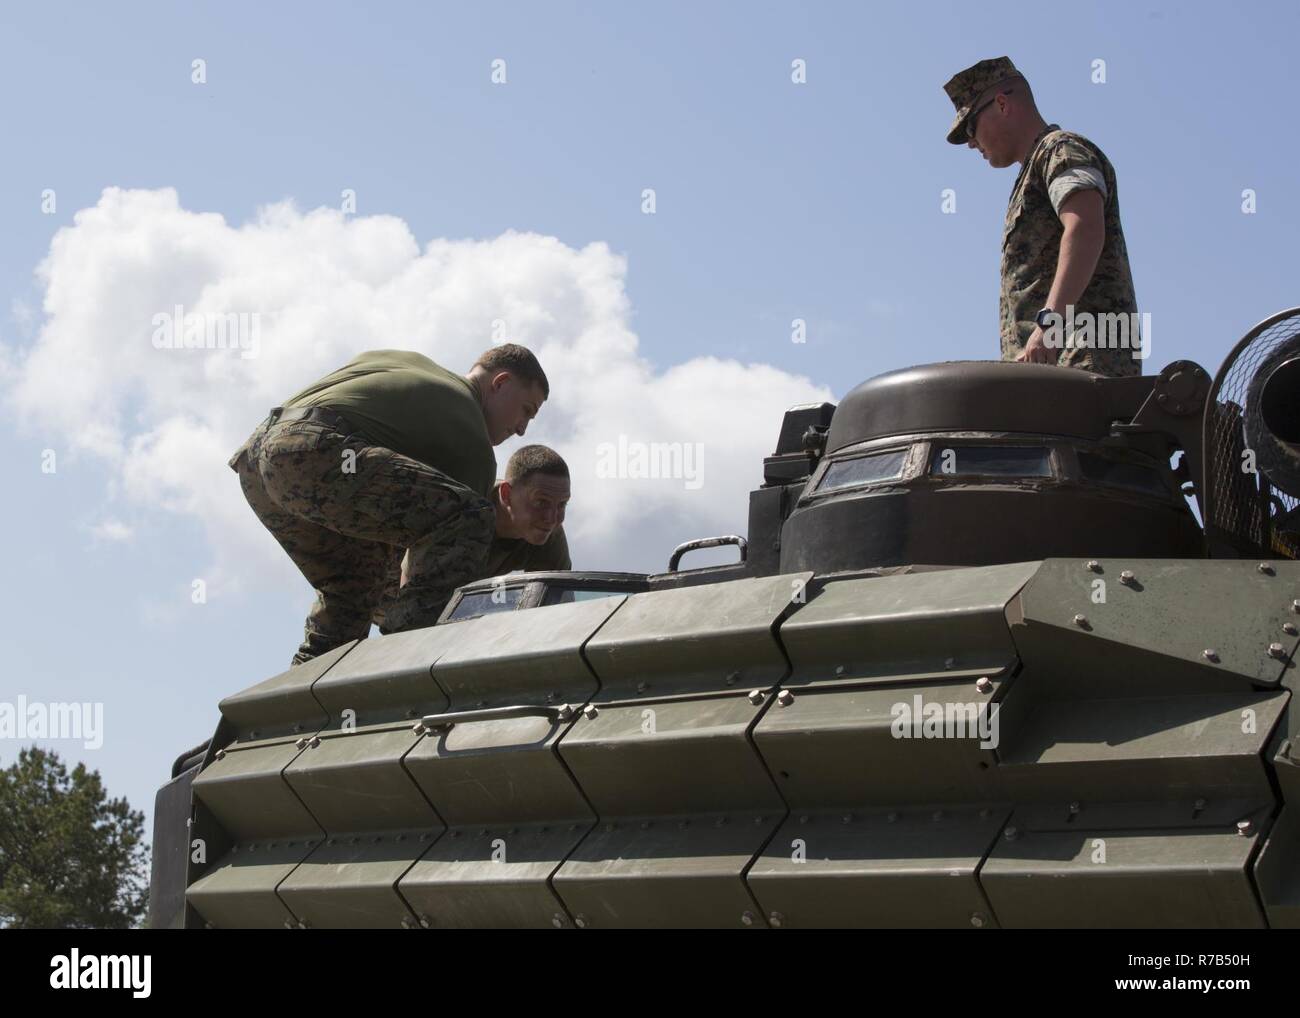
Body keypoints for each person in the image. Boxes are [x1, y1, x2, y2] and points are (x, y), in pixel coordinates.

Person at [229, 344, 548, 666]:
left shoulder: (406, 362)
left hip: (257, 462)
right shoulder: (471, 438)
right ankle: (409, 660)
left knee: (353, 590)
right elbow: (446, 548)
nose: (522, 429)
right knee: (471, 517)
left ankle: (299, 697)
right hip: (313, 452)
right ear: (500, 382)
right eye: (526, 410)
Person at [944, 56, 1141, 377]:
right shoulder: (1034, 168)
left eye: (970, 126)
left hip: (1083, 362)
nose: (971, 143)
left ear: (1002, 104)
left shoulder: (1060, 149)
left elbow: (1085, 227)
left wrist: (1051, 323)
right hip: (1056, 369)